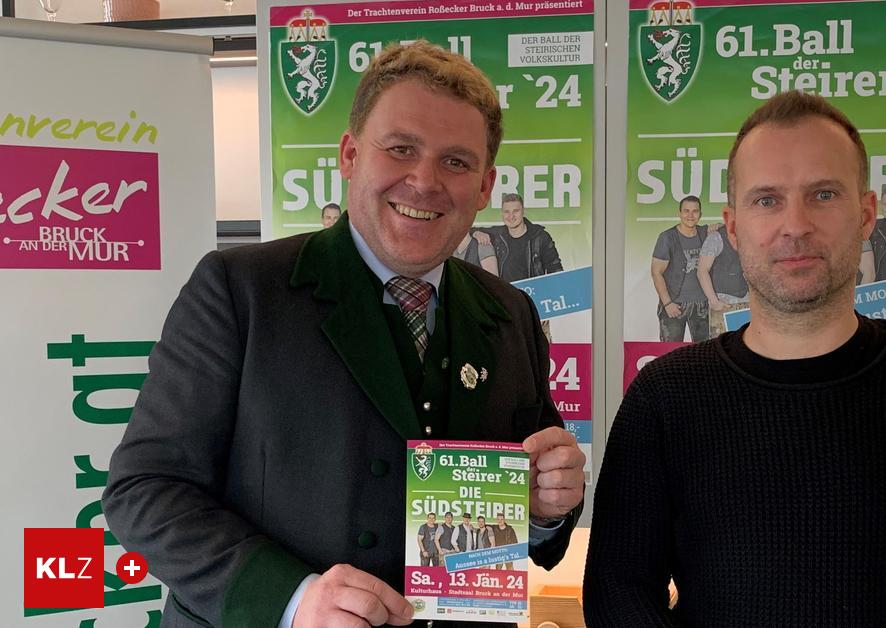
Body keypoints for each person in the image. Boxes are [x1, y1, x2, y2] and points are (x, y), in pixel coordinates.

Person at [102, 40, 586, 628]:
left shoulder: (510, 314)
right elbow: (145, 487)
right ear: (351, 155)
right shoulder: (241, 291)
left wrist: (545, 506)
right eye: (401, 148)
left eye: (456, 162)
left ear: (484, 187)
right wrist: (292, 598)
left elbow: (532, 501)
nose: (425, 181)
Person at [583, 92, 886, 626]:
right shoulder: (664, 396)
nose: (796, 225)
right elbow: (618, 591)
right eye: (767, 200)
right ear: (732, 228)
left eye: (823, 194)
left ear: (867, 213)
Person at [475, 193, 562, 340]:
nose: (511, 216)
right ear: (502, 213)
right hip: (505, 308)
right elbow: (467, 230)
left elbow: (556, 270)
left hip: (535, 308)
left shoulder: (540, 237)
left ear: (523, 211)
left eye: (515, 211)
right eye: (507, 212)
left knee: (539, 356)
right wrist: (477, 233)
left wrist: (547, 309)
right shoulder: (498, 235)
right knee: (510, 356)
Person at [650, 195, 709, 342]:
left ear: (700, 214)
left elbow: (723, 227)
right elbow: (656, 273)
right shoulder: (667, 237)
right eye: (686, 211)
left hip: (702, 305)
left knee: (704, 354)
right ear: (679, 213)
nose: (690, 215)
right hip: (675, 304)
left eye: (695, 211)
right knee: (670, 354)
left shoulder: (705, 233)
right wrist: (668, 303)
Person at [696, 222, 748, 337]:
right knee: (722, 348)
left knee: (744, 347)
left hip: (747, 300)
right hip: (723, 302)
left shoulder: (751, 234)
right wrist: (714, 301)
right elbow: (702, 271)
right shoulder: (716, 237)